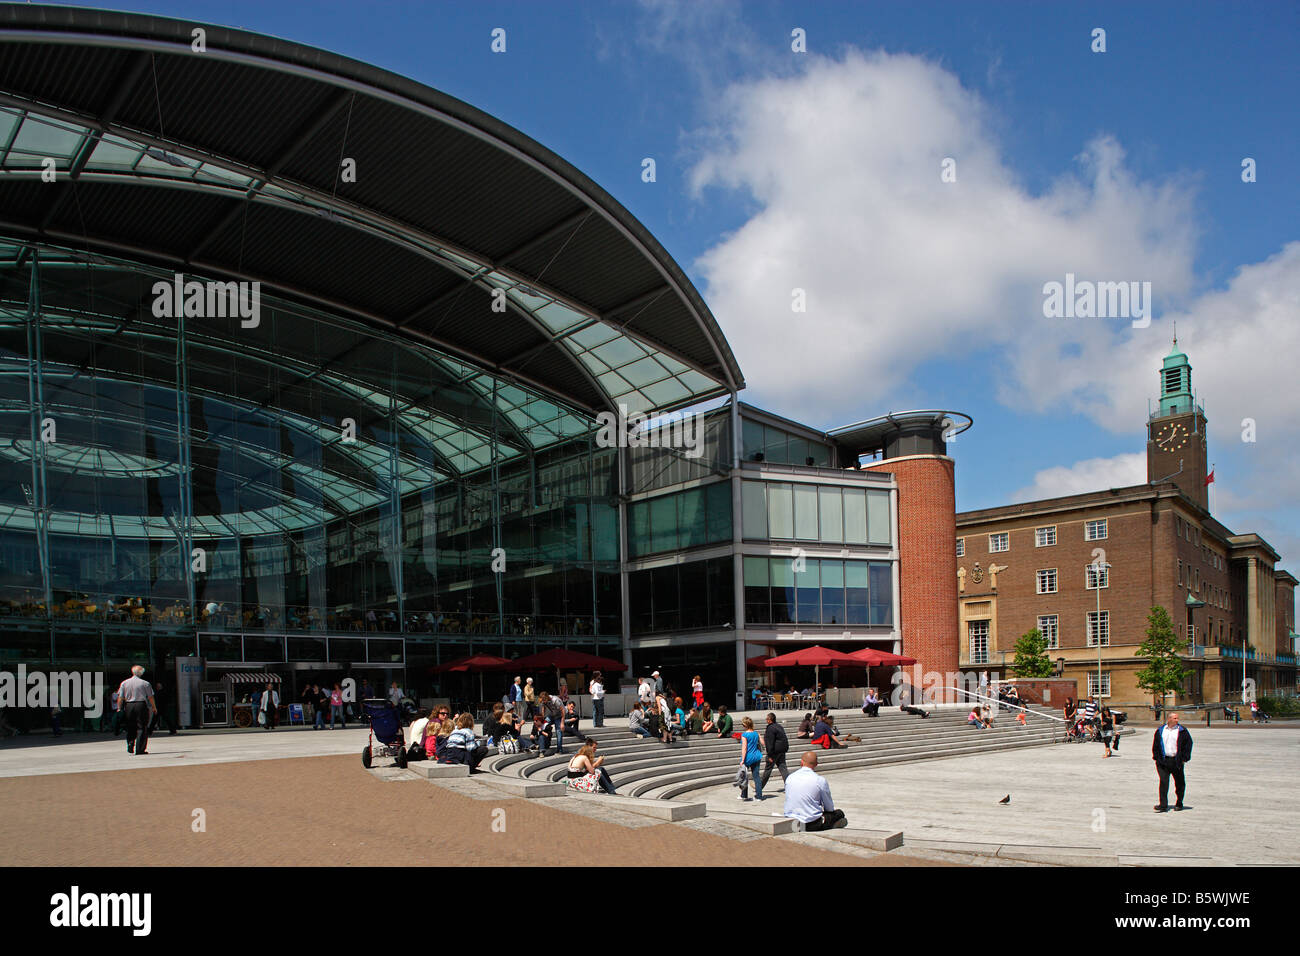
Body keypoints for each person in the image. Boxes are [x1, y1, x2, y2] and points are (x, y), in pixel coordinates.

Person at [783, 752, 847, 831]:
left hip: (790, 820)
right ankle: (831, 824)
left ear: (801, 762)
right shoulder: (819, 780)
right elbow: (829, 808)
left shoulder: (790, 777)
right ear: (816, 764)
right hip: (810, 823)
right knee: (839, 813)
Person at [1152, 712, 1193, 812]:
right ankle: (1163, 805)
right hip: (1163, 761)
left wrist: (1184, 758)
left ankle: (1179, 802)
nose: (1177, 720)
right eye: (1175, 718)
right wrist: (1156, 757)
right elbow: (1156, 744)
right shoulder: (1161, 730)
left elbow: (1188, 744)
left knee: (1179, 783)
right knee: (1163, 782)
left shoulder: (1182, 731)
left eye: (1177, 718)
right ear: (1169, 719)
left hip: (1176, 761)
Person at [116, 666, 157, 755]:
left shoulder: (125, 683)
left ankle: (130, 743)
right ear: (141, 673)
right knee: (142, 727)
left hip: (129, 705)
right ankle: (140, 749)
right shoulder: (145, 683)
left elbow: (120, 697)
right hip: (141, 705)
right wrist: (154, 707)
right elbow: (150, 697)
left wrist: (119, 708)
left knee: (130, 726)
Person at [734, 716, 765, 801]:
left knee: (744, 776)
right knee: (756, 777)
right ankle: (759, 796)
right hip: (756, 756)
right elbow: (763, 743)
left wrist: (743, 760)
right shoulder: (756, 733)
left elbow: (744, 749)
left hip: (748, 758)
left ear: (745, 725)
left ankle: (744, 795)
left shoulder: (745, 735)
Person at [760, 711, 790, 791]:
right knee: (783, 768)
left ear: (770, 720)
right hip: (782, 750)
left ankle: (759, 786)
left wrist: (769, 755)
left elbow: (770, 742)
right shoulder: (779, 726)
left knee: (768, 769)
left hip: (774, 752)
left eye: (767, 718)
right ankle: (789, 786)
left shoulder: (770, 728)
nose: (766, 720)